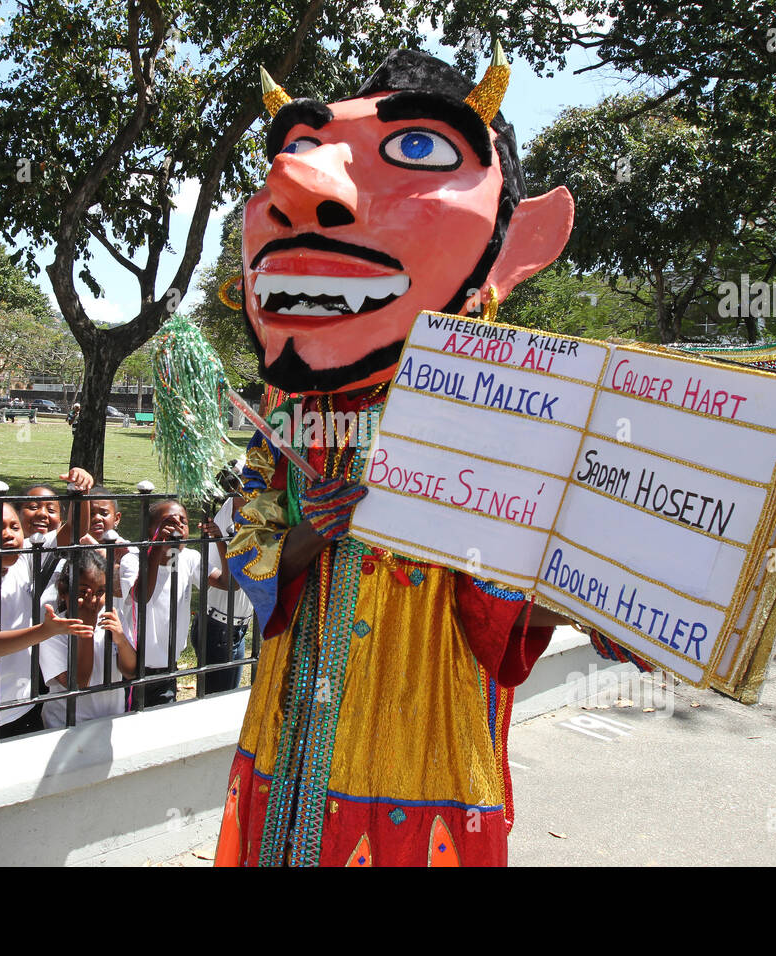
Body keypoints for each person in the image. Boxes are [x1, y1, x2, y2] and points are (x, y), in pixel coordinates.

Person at [214, 49, 577, 866]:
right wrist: (315, 528)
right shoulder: (294, 410)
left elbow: (515, 605)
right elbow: (246, 542)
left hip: (425, 735)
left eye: (419, 152)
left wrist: (620, 603)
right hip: (293, 735)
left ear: (515, 245)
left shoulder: (504, 410)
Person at [0, 501, 91, 750]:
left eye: (14, 526)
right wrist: (46, 631)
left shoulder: (24, 559)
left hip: (22, 705)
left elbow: (74, 531)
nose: (8, 535)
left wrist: (81, 493)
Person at [116, 499, 229, 709]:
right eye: (168, 522)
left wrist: (220, 541)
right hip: (133, 669)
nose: (177, 526)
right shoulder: (134, 559)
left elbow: (227, 584)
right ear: (150, 530)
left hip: (168, 668)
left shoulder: (188, 559)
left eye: (182, 522)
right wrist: (159, 546)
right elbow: (142, 596)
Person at [39, 550, 135, 728]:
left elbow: (131, 671)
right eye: (83, 591)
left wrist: (121, 640)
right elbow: (78, 684)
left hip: (111, 720)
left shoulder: (113, 617)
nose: (93, 600)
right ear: (63, 592)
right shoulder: (53, 630)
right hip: (67, 725)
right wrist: (87, 631)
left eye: (100, 592)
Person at [200, 464, 255, 694]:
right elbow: (229, 582)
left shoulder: (250, 518)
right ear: (234, 487)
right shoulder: (222, 524)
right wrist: (222, 539)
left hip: (238, 629)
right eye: (248, 482)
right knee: (217, 702)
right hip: (219, 629)